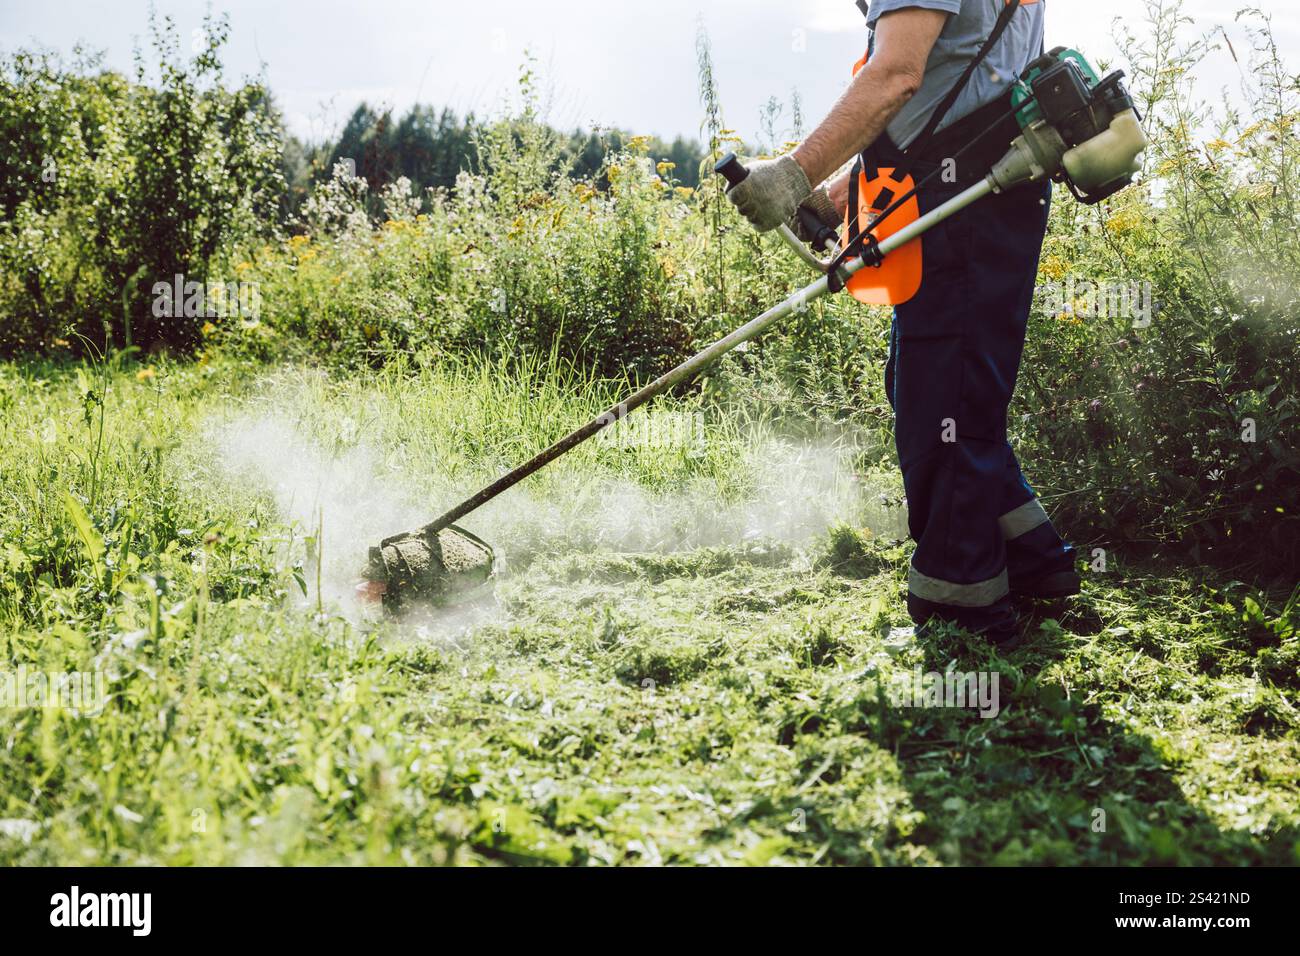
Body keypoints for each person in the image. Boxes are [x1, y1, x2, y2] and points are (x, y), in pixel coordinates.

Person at [726, 0, 1079, 647]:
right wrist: (832, 199)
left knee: (943, 405)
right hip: (969, 185)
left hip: (969, 198)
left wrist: (793, 173)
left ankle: (961, 615)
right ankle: (1032, 565)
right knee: (940, 389)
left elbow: (898, 77)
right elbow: (953, 92)